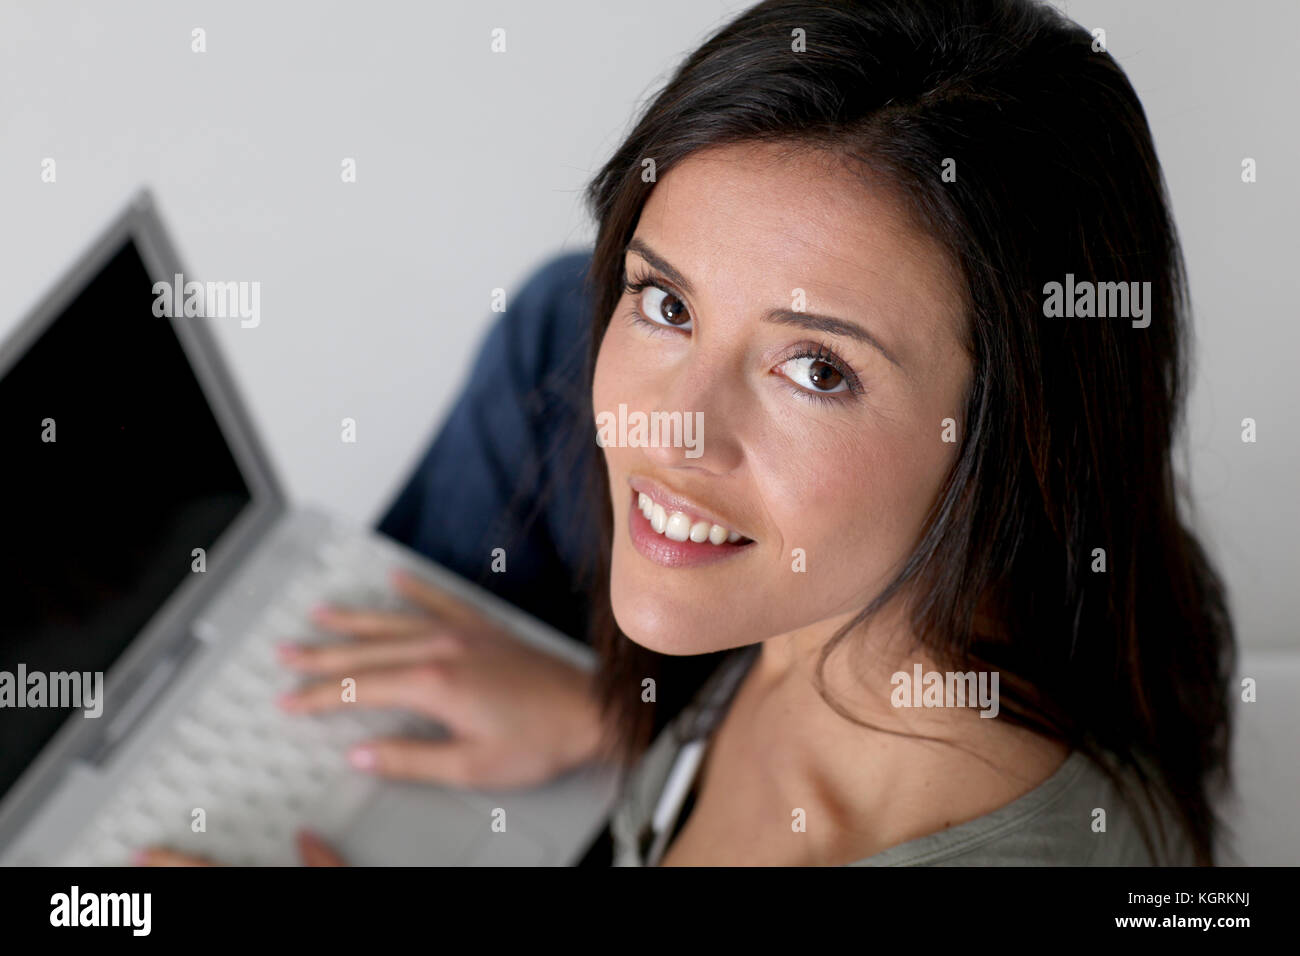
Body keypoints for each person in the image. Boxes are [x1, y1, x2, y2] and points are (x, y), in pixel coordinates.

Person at [141, 0, 1235, 867]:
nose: (668, 424)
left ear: (1009, 427)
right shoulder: (957, 593)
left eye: (817, 368)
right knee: (551, 320)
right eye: (665, 301)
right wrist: (612, 718)